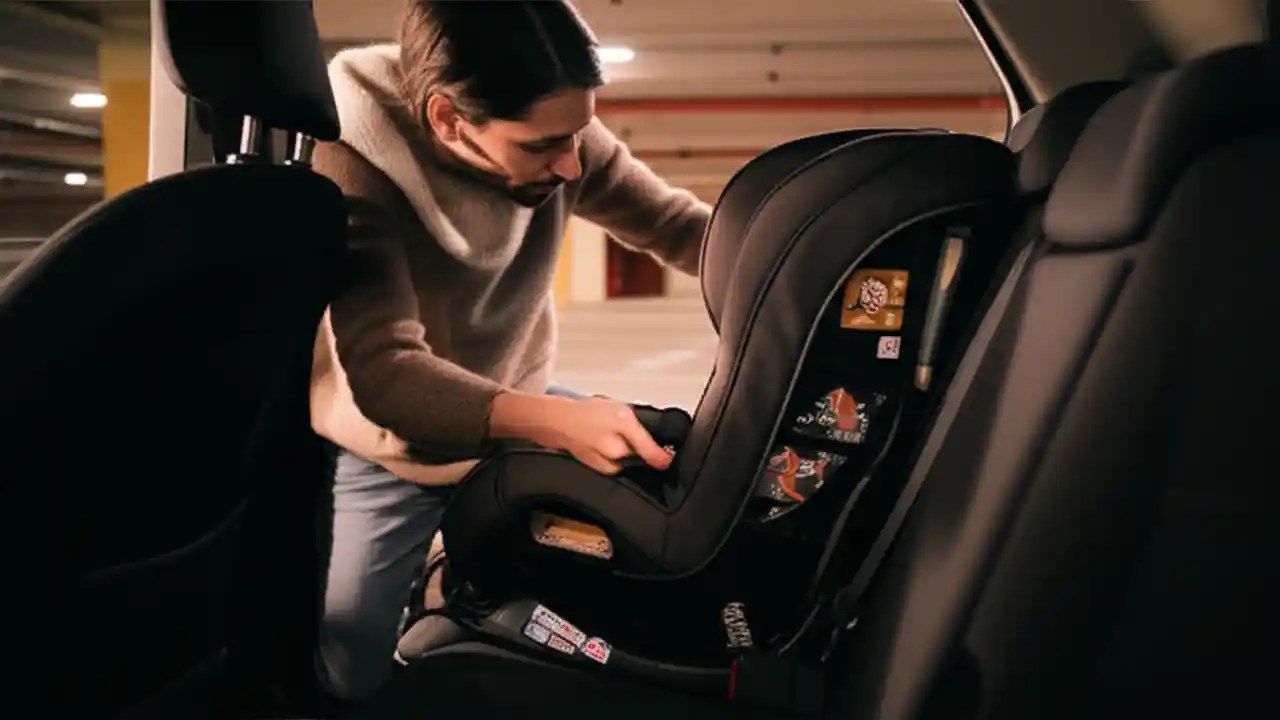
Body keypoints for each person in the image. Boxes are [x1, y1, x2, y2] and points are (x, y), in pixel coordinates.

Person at [308, 0, 712, 702]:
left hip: (521, 396)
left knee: (675, 488)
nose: (572, 163)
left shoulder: (561, 137)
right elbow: (384, 375)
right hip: (396, 449)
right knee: (350, 655)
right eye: (541, 146)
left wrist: (797, 268)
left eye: (579, 132)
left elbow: (678, 227)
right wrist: (558, 425)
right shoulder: (353, 159)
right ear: (446, 120)